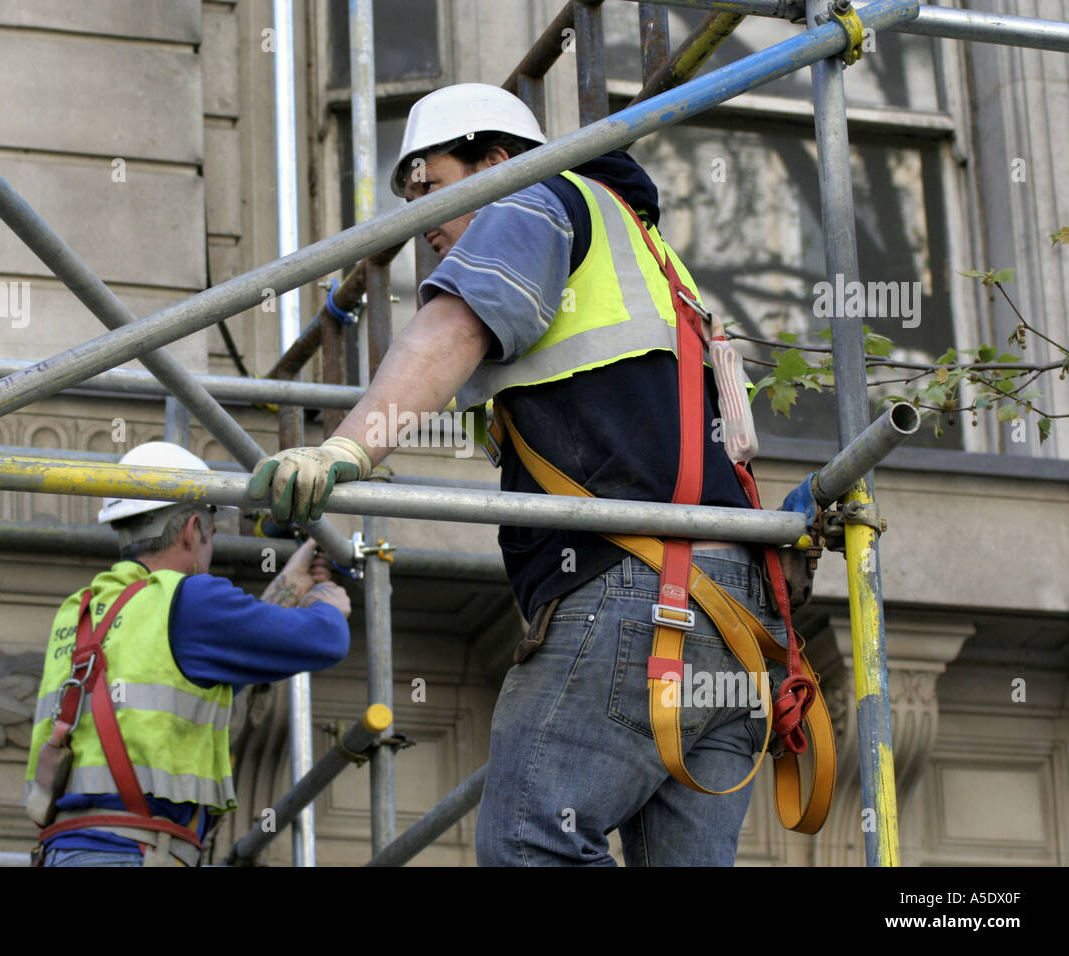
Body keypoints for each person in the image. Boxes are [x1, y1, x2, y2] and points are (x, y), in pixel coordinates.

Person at [247, 83, 798, 866]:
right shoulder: (645, 249)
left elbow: (452, 328)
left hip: (637, 593)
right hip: (734, 621)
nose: (423, 226)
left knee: (527, 840)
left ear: (495, 161)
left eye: (432, 189)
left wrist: (346, 451)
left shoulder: (532, 199)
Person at [25, 441, 352, 866]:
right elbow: (326, 640)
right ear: (193, 529)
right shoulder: (191, 600)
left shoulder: (81, 608)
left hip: (65, 852)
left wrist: (290, 585)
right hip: (133, 853)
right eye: (211, 535)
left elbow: (206, 673)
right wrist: (327, 604)